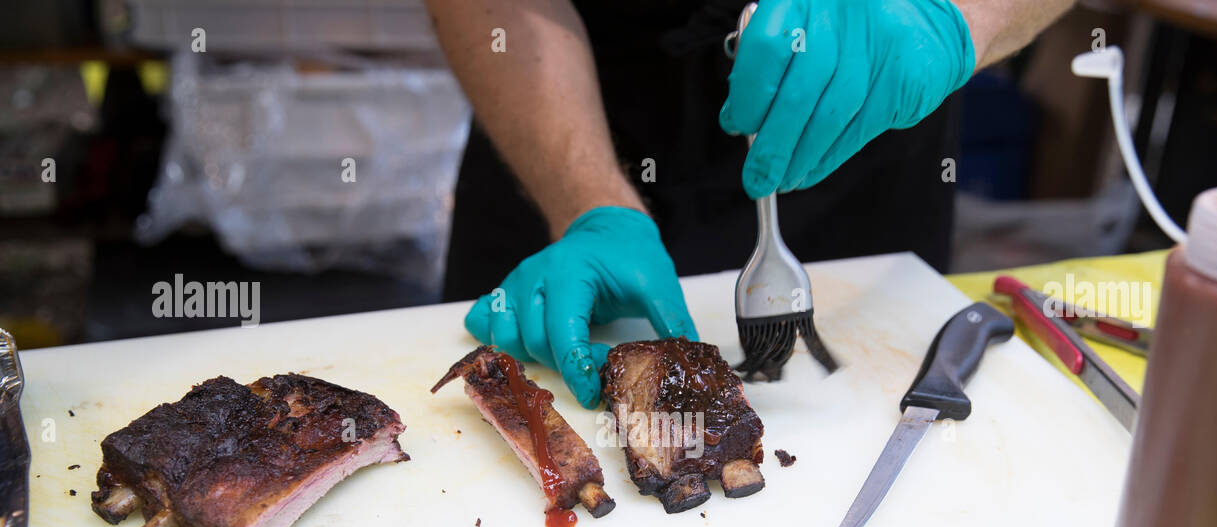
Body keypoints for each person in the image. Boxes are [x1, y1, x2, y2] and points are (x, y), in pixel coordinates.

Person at [427, 0, 1073, 407]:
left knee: (866, 413)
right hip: (559, 115)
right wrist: (586, 201)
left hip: (867, 110)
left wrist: (955, 19)